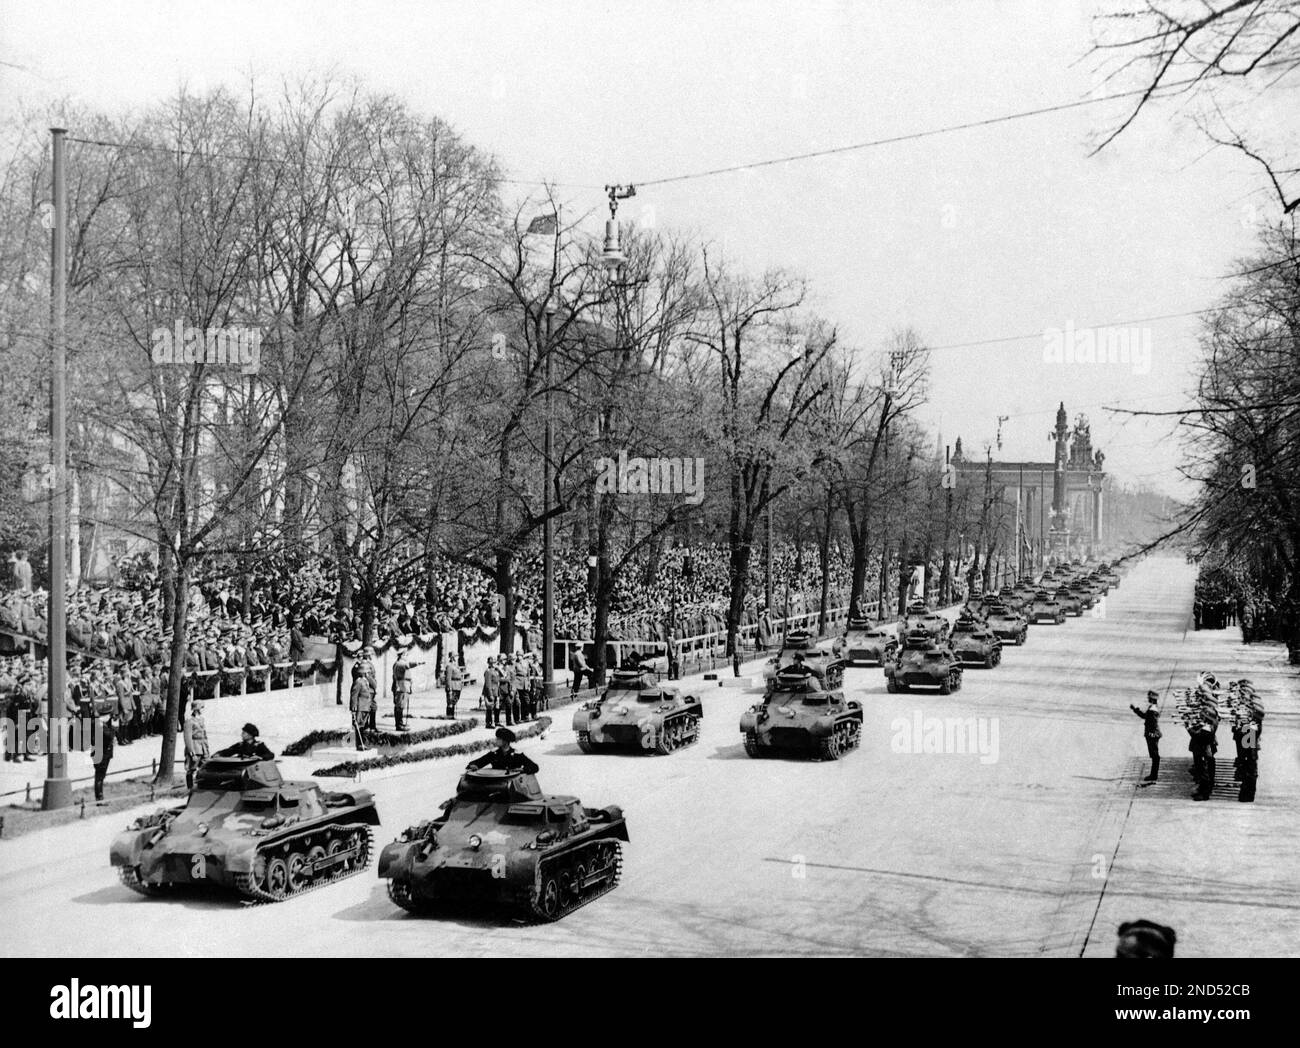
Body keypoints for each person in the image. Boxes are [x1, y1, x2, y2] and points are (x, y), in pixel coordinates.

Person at [466, 727, 539, 774]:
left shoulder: (517, 755)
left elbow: (535, 767)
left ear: (505, 741)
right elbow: (479, 762)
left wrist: (523, 770)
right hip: (497, 785)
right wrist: (473, 765)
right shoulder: (494, 754)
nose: (496, 740)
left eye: (498, 739)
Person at [1130, 690, 1161, 782]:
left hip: (1152, 734)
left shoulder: (1152, 710)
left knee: (1155, 755)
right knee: (1154, 755)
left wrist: (1152, 733)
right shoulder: (1152, 708)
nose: (1148, 699)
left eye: (1149, 698)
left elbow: (1153, 723)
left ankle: (1154, 775)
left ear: (1152, 699)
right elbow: (1144, 716)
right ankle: (1153, 774)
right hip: (1152, 733)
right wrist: (1135, 710)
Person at [183, 700, 210, 791]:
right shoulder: (189, 721)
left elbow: (204, 735)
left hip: (203, 747)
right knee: (191, 769)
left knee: (206, 767)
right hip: (195, 747)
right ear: (196, 709)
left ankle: (204, 787)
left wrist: (206, 748)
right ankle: (190, 788)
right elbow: (188, 738)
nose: (203, 709)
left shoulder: (201, 720)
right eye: (201, 708)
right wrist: (192, 753)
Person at [392, 647, 421, 730]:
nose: (406, 656)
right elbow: (407, 665)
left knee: (401, 705)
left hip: (404, 686)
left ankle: (400, 724)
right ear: (401, 655)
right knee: (400, 705)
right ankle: (399, 725)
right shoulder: (400, 663)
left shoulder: (400, 663)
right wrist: (417, 663)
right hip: (402, 686)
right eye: (405, 655)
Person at [92, 712, 116, 804]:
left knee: (100, 776)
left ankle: (99, 797)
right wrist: (113, 727)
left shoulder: (97, 724)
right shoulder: (101, 727)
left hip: (99, 753)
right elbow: (110, 736)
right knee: (100, 776)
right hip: (102, 754)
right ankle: (99, 798)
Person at [349, 670, 373, 751]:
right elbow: (354, 694)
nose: (368, 674)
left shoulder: (366, 681)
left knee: (363, 725)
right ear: (363, 673)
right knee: (358, 726)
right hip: (360, 707)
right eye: (366, 672)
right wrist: (353, 707)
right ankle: (359, 744)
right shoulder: (358, 682)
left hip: (366, 706)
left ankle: (363, 743)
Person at [481, 657, 501, 728]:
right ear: (490, 664)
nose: (495, 664)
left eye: (495, 663)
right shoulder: (488, 671)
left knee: (496, 707)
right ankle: (488, 723)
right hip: (491, 691)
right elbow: (488, 684)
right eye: (493, 663)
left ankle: (496, 721)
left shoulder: (496, 671)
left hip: (496, 690)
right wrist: (490, 694)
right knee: (489, 707)